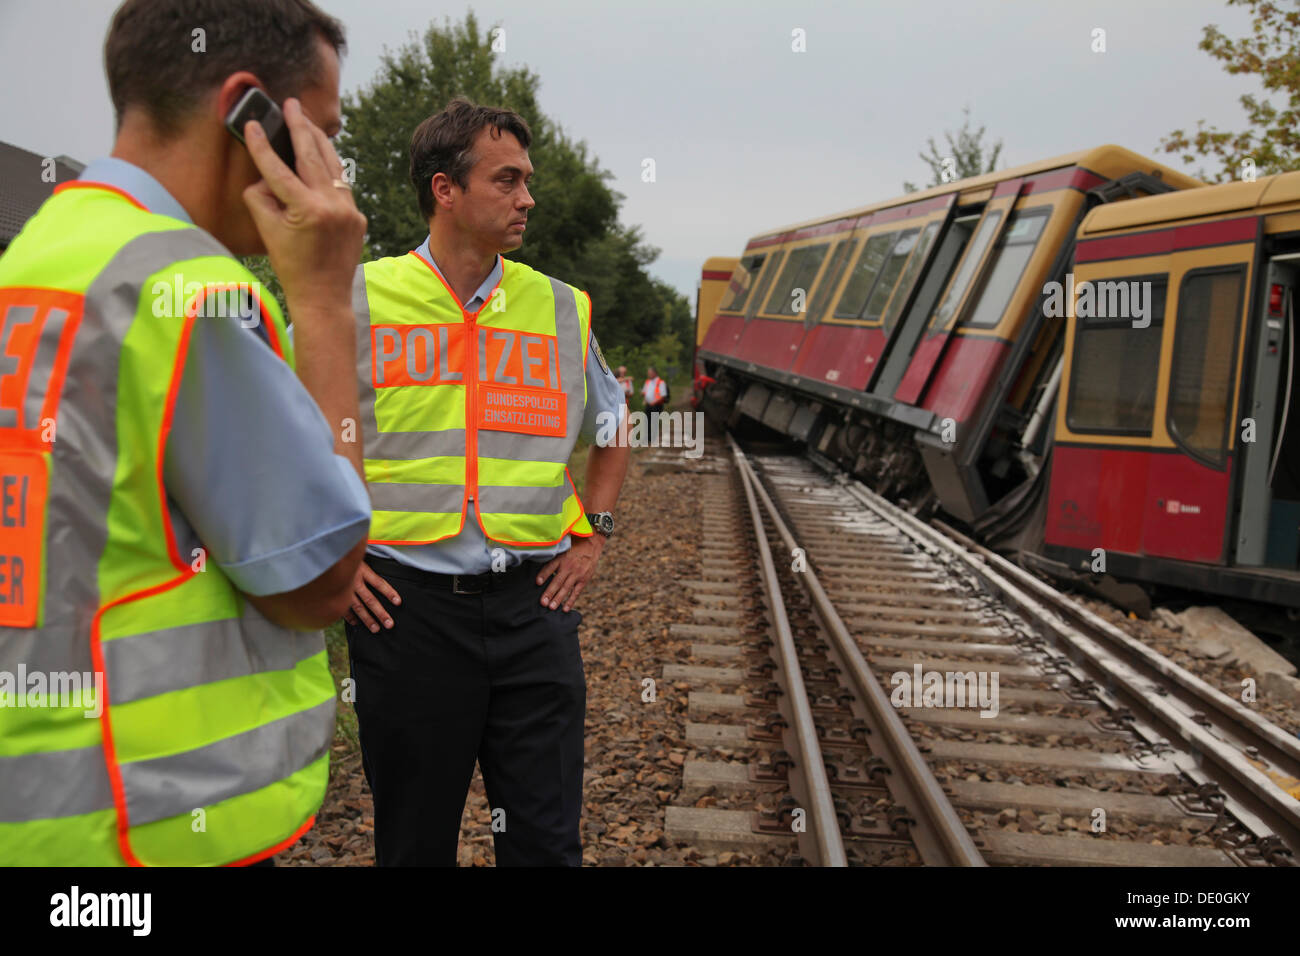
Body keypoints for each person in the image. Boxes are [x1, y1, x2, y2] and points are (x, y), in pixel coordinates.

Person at [0, 0, 370, 866]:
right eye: (322, 136)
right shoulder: (187, 291)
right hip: (145, 828)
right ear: (247, 114)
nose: (333, 171)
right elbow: (322, 578)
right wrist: (322, 301)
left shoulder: (36, 258)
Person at [343, 98, 630, 867]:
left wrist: (595, 537)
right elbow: (285, 434)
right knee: (414, 846)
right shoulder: (356, 299)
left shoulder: (560, 307)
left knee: (545, 846)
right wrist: (332, 559)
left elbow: (613, 429)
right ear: (445, 189)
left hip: (535, 613)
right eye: (507, 180)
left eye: (527, 180)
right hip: (406, 615)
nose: (527, 198)